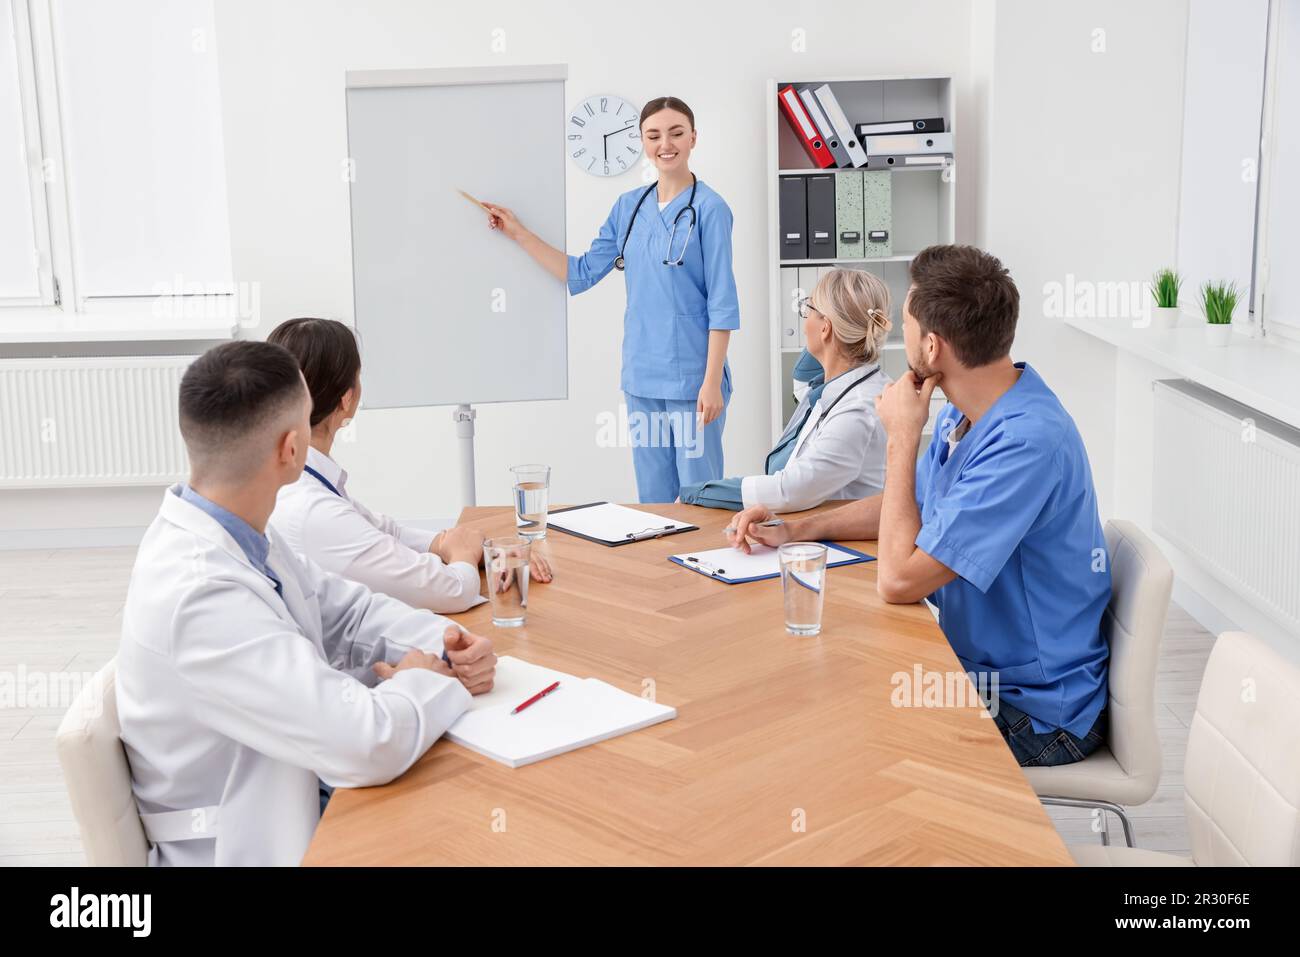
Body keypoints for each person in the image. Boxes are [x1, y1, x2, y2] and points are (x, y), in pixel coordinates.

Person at [116, 340, 498, 866]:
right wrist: (424, 678)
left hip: (301, 791)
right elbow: (367, 744)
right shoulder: (201, 596)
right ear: (291, 449)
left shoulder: (239, 531)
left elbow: (347, 610)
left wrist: (449, 644)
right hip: (248, 845)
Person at [728, 245, 1111, 768]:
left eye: (904, 323)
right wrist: (798, 530)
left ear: (932, 347)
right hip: (972, 668)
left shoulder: (1026, 442)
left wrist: (902, 437)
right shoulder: (972, 412)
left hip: (1034, 711)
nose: (893, 334)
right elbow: (909, 504)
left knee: (840, 729)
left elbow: (899, 580)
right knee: (821, 689)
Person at [482, 96, 740, 503]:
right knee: (653, 498)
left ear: (693, 138)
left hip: (694, 378)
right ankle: (658, 566)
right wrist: (518, 233)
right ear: (642, 141)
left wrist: (711, 383)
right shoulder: (629, 208)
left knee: (700, 496)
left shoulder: (711, 209)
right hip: (642, 376)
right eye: (653, 135)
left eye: (676, 133)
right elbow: (581, 271)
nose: (665, 144)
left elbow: (722, 303)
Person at [267, 317, 551, 613]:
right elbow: (452, 592)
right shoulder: (314, 511)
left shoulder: (299, 479)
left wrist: (447, 543)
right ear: (347, 398)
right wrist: (465, 552)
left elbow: (381, 530)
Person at [680, 268, 891, 511]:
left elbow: (789, 490)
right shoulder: (832, 385)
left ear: (826, 328)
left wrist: (697, 493)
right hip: (808, 522)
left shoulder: (858, 410)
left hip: (835, 540)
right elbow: (803, 376)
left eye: (807, 310)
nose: (803, 322)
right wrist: (836, 330)